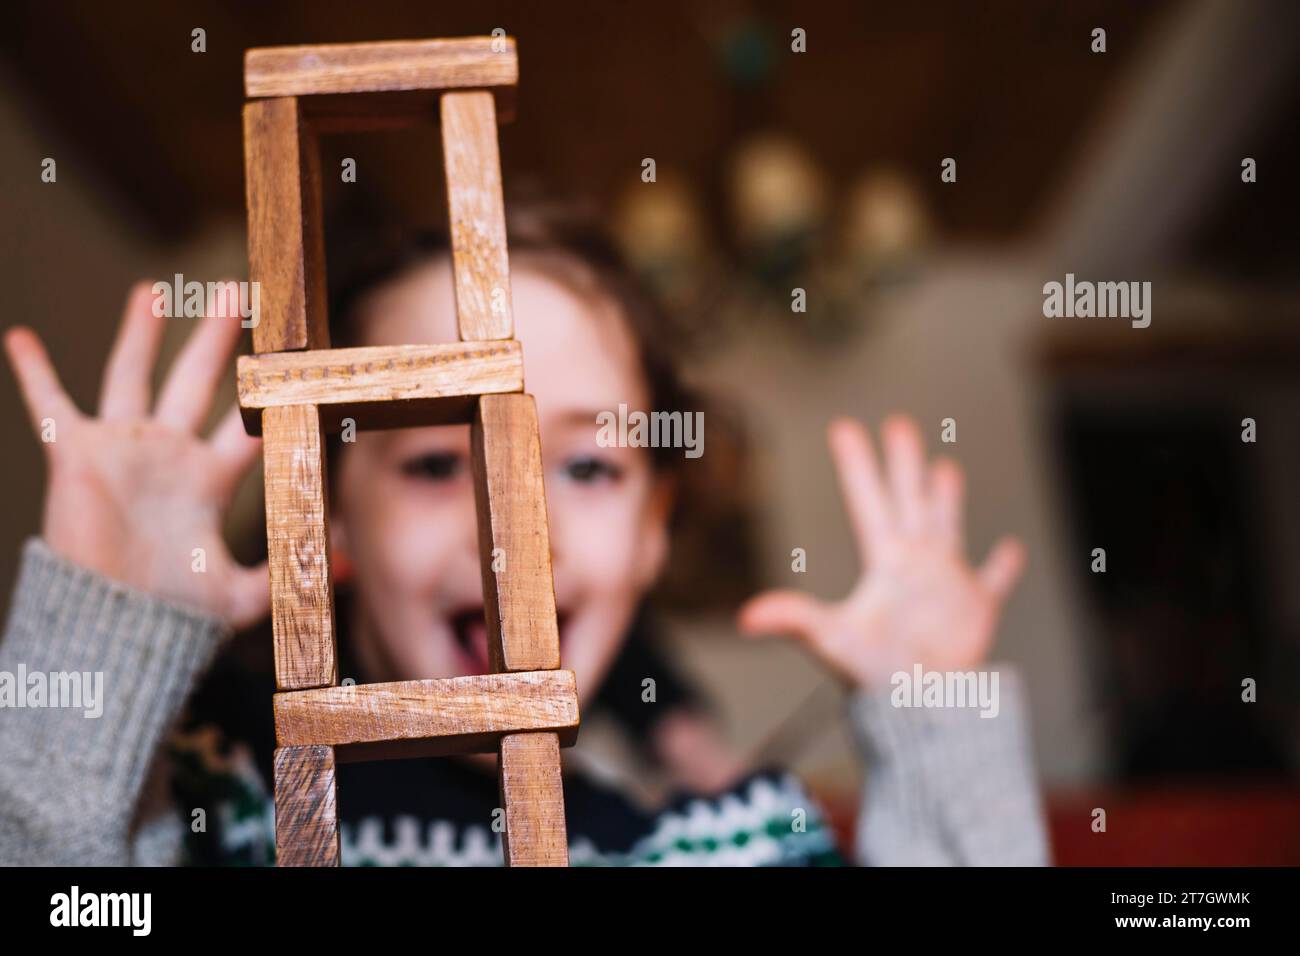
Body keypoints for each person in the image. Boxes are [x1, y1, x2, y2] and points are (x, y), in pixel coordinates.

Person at [0, 209, 1049, 866]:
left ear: (653, 534)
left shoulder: (730, 846)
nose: (516, 530)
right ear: (328, 516)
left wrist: (930, 719)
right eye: (433, 461)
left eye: (588, 467)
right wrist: (99, 662)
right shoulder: (212, 807)